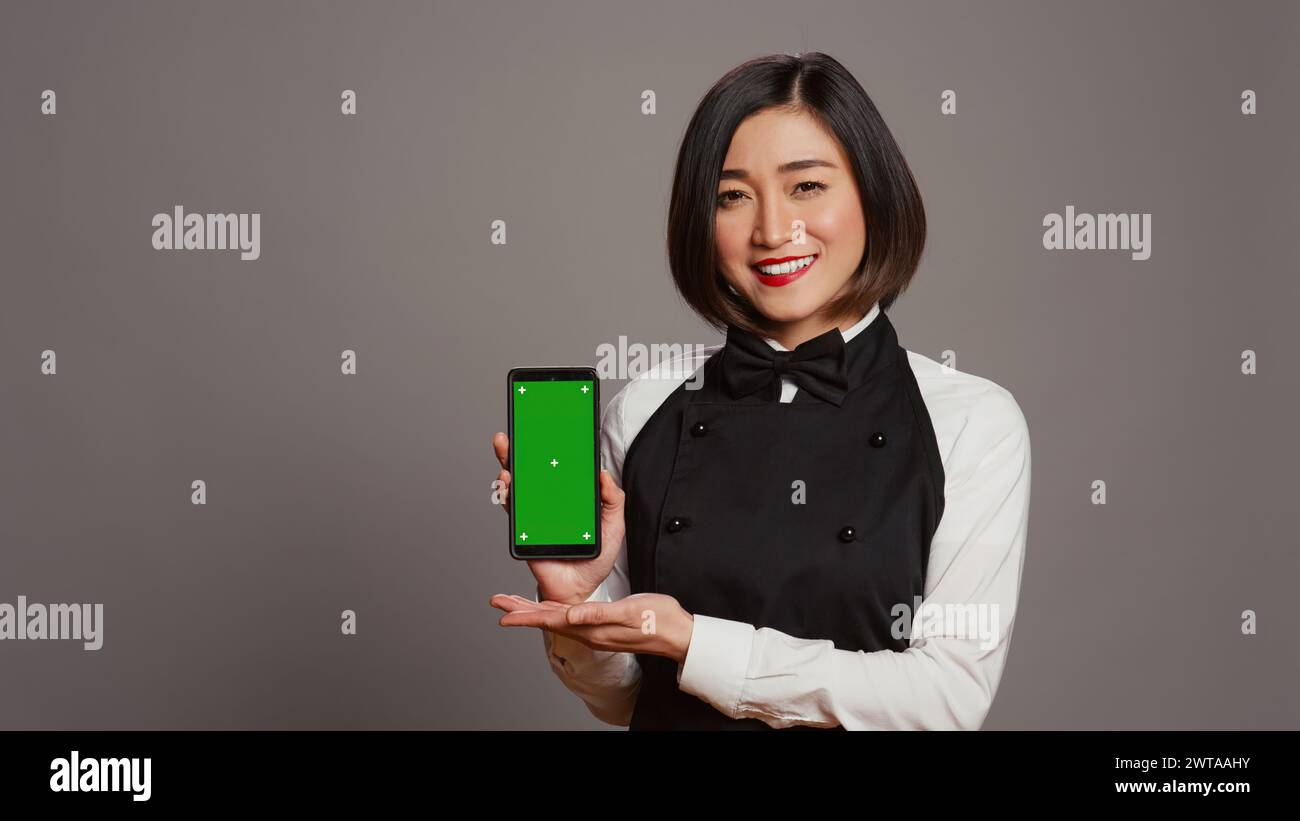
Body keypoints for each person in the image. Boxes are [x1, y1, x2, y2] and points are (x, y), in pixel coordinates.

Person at [489, 52, 1031, 730]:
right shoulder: (647, 406)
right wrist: (579, 601)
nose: (774, 231)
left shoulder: (972, 420)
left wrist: (695, 641)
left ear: (873, 193)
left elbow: (945, 698)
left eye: (806, 187)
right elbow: (627, 697)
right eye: (732, 196)